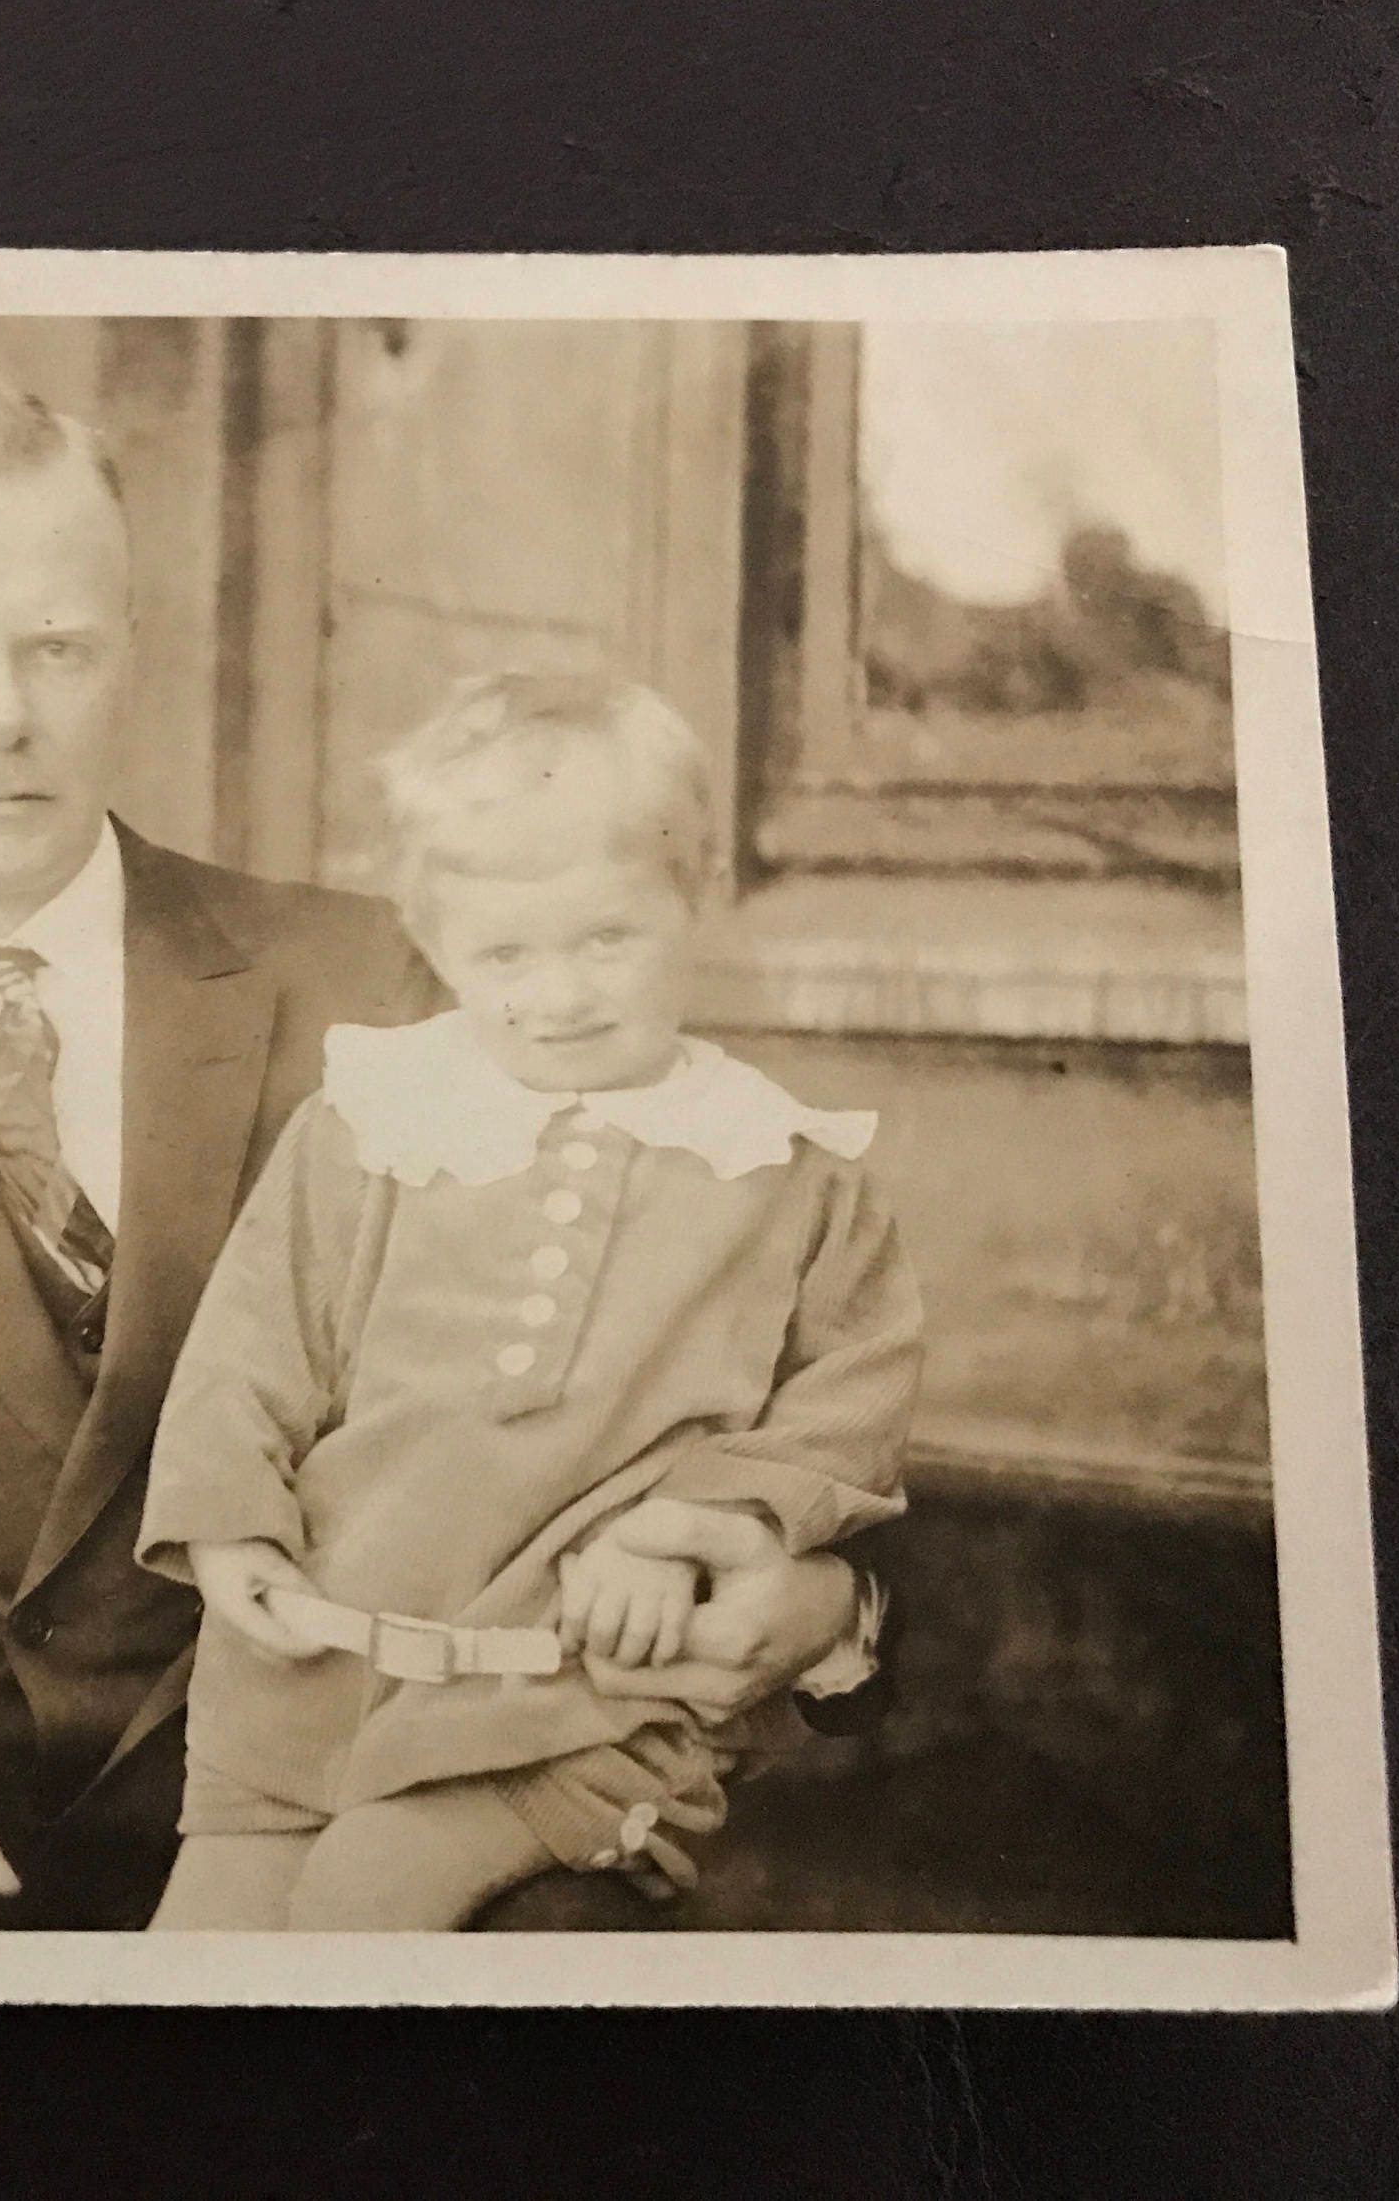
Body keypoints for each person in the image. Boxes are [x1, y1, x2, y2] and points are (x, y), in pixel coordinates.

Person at [0, 366, 884, 1933]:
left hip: (360, 1754)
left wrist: (828, 1602)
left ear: (132, 651)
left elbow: (715, 1327)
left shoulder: (379, 980)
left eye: (56, 646)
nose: (0, 713)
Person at [138, 672, 917, 1929]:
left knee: (357, 1908)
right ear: (432, 938)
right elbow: (248, 1350)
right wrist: (229, 1527)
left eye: (607, 940)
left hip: (574, 1700)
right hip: (316, 1665)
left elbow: (851, 1402)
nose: (559, 997)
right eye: (505, 954)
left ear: (699, 893)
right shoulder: (371, 1125)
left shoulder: (782, 1167)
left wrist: (695, 1527)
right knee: (197, 1953)